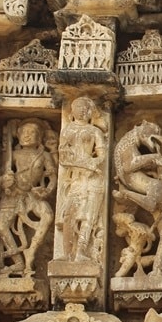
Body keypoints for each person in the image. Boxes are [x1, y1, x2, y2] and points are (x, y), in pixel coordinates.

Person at [0, 120, 57, 276]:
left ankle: (32, 251)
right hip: (14, 194)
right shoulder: (13, 155)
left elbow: (53, 176)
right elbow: (1, 176)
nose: (27, 136)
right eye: (24, 133)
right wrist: (5, 181)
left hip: (32, 194)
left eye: (32, 133)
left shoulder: (44, 156)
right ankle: (17, 261)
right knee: (1, 226)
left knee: (47, 215)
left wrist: (47, 190)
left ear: (40, 137)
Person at [57, 97, 107, 262]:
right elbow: (63, 156)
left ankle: (81, 252)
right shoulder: (68, 130)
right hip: (76, 179)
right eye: (78, 107)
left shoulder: (95, 131)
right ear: (72, 111)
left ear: (90, 112)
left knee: (88, 216)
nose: (82, 110)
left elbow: (101, 155)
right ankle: (67, 253)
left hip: (92, 178)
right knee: (68, 214)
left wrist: (92, 162)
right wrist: (79, 163)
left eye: (85, 108)